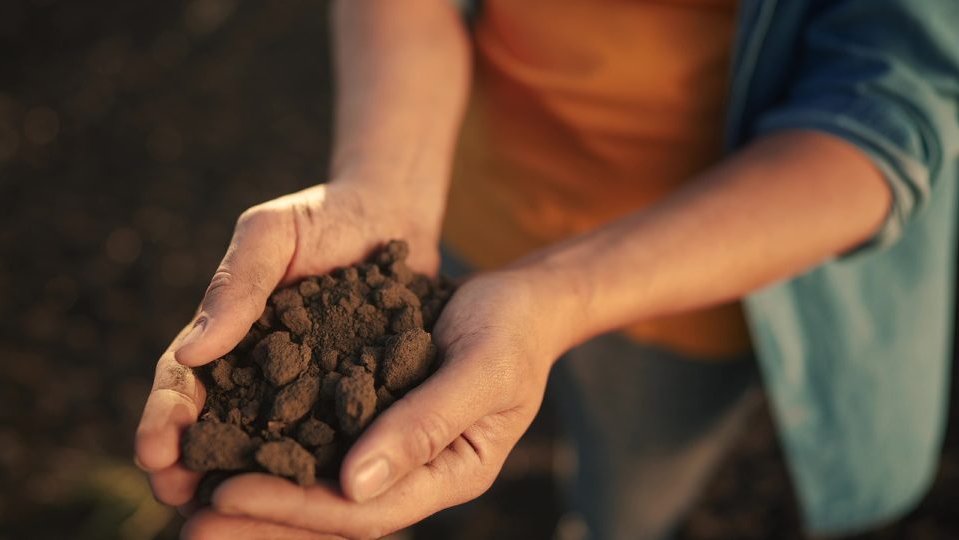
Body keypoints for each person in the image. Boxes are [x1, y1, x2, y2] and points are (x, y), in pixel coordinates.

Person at [135, 1, 959, 538]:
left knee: (634, 482)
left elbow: (891, 111)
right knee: (449, 387)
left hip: (699, 277)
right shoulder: (405, 259)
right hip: (460, 195)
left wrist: (560, 296)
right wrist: (383, 181)